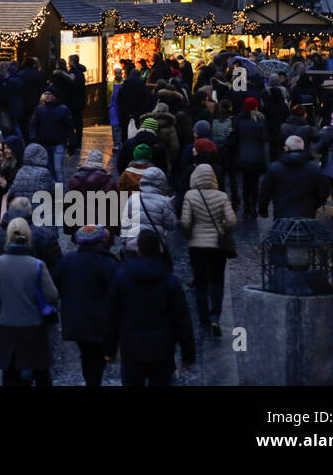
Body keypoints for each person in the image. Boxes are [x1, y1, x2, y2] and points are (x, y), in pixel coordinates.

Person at [105, 230, 196, 386]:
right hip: (162, 350)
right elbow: (182, 321)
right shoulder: (170, 280)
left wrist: (110, 350)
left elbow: (112, 316)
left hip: (132, 348)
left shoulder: (122, 277)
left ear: (138, 250)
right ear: (158, 250)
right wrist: (188, 355)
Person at [0, 217, 58, 386]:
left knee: (10, 374)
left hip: (7, 325)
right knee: (41, 373)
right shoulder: (38, 265)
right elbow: (52, 295)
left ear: (8, 236)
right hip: (34, 326)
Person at [52, 224, 120, 386]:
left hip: (76, 320)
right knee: (97, 356)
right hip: (101, 321)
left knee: (87, 355)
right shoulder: (109, 263)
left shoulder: (67, 261)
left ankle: (91, 380)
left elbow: (54, 286)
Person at [179, 164, 236, 336]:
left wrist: (188, 234)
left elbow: (186, 222)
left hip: (197, 245)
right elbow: (232, 221)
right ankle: (215, 317)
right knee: (218, 281)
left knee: (201, 282)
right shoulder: (222, 196)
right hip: (217, 246)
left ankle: (204, 317)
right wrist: (223, 229)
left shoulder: (190, 195)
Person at [258, 136, 329, 219]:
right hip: (307, 213)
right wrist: (314, 205)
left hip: (281, 213)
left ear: (287, 148)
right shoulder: (315, 169)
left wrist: (263, 209)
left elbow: (265, 192)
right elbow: (323, 191)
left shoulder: (275, 168)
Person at [233, 97, 271, 217]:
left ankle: (246, 206)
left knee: (245, 182)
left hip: (242, 155)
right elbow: (265, 138)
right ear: (256, 106)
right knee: (255, 183)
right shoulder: (260, 120)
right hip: (257, 156)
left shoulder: (239, 119)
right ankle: (253, 207)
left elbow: (236, 137)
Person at [28, 90, 74, 183]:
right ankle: (53, 191)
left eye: (50, 94)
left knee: (57, 169)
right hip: (45, 143)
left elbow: (69, 127)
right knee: (50, 169)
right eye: (46, 94)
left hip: (58, 143)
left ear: (55, 96)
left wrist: (71, 141)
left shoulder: (63, 109)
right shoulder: (40, 109)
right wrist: (33, 137)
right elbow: (33, 124)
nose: (48, 96)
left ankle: (58, 195)